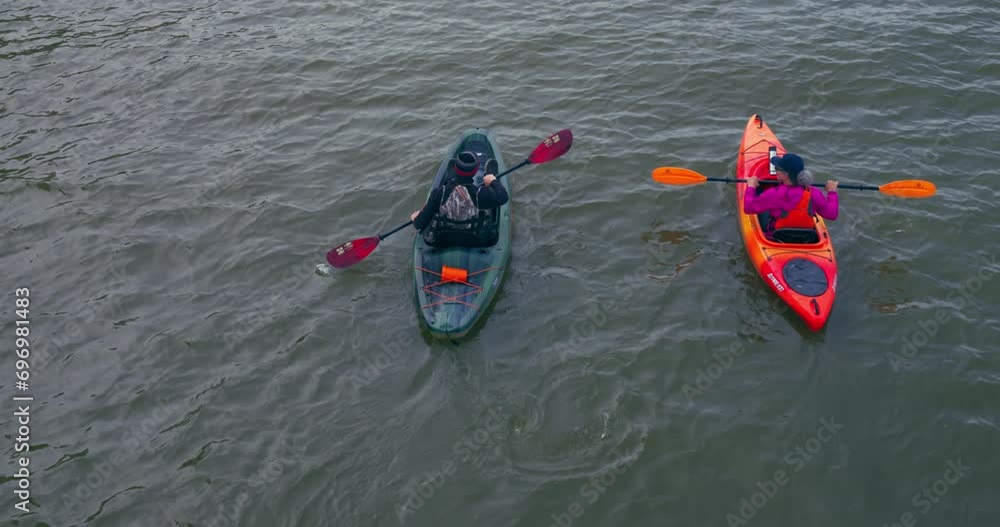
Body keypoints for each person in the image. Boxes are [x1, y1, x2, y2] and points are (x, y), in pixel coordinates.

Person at [410, 151, 509, 247]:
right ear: (475, 171)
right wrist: (492, 181)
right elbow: (503, 197)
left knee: (431, 212)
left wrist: (416, 217)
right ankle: (490, 175)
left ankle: (452, 180)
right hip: (476, 240)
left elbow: (419, 224)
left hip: (443, 240)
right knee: (490, 203)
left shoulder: (439, 193)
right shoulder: (481, 194)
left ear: (456, 168)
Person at [744, 153, 839, 241]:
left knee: (760, 194)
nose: (776, 170)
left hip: (778, 239)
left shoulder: (773, 194)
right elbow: (832, 214)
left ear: (785, 175)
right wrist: (832, 192)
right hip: (805, 240)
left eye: (777, 168)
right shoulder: (814, 193)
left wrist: (751, 187)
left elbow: (748, 208)